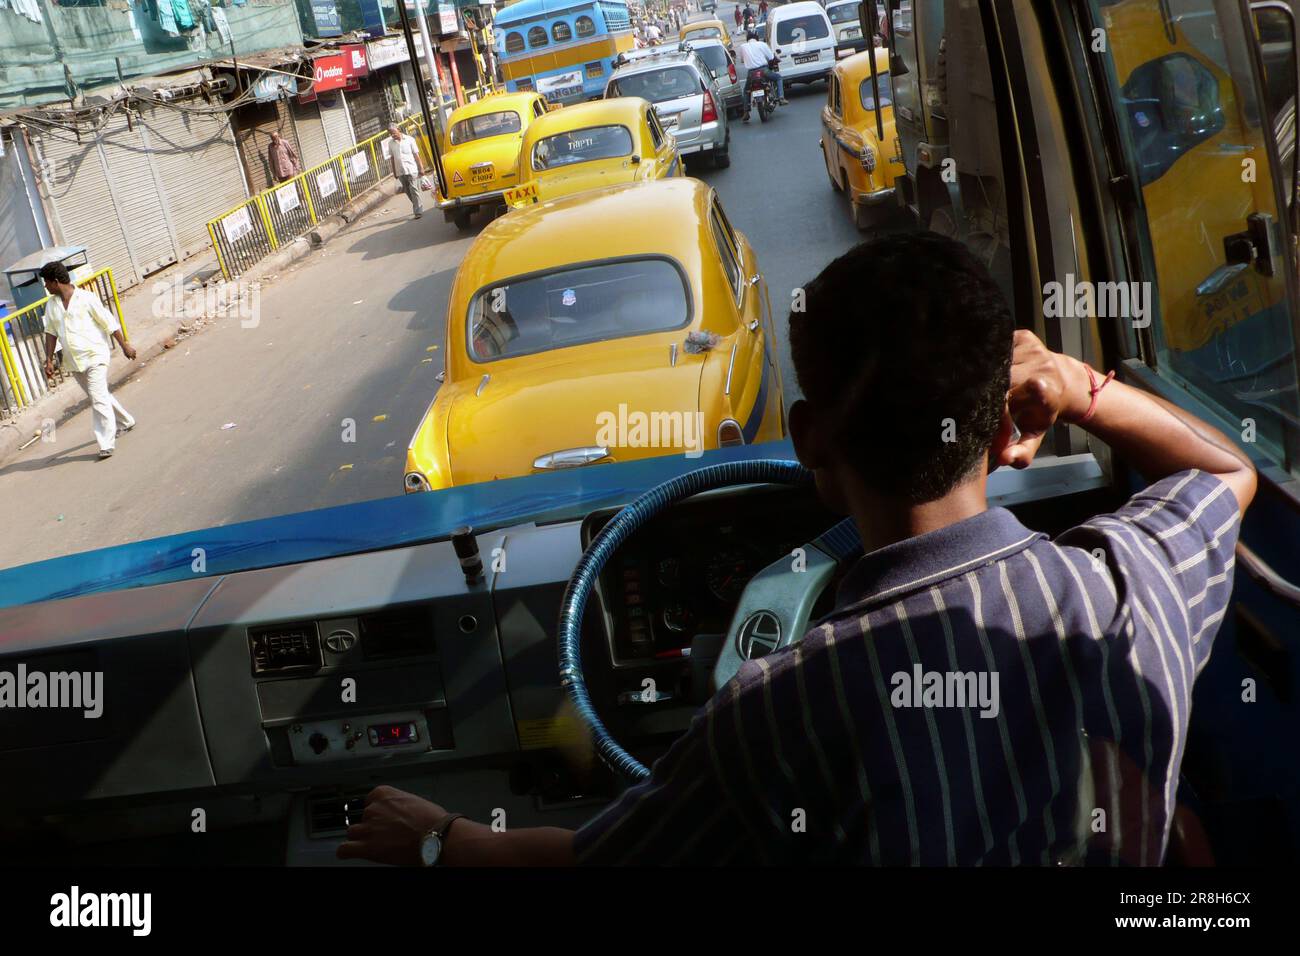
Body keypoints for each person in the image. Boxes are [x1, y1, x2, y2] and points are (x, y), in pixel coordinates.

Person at [336, 233, 1255, 866]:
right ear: (1008, 428)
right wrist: (1085, 390)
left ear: (809, 439)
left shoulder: (781, 707)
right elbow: (1229, 473)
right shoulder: (1131, 585)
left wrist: (444, 841)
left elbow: (599, 859)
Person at [39, 261, 137, 460]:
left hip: (95, 356)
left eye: (47, 283)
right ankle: (126, 421)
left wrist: (124, 344)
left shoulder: (86, 298)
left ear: (56, 282)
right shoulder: (52, 305)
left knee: (98, 398)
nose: (46, 287)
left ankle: (106, 443)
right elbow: (50, 332)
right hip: (74, 361)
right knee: (98, 395)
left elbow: (108, 322)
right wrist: (49, 360)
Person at [737, 28, 786, 119]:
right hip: (763, 71)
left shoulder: (743, 47)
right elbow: (771, 57)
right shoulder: (762, 44)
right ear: (757, 38)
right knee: (778, 78)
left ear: (747, 39)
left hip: (751, 74)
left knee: (746, 90)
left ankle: (746, 112)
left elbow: (742, 60)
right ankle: (781, 97)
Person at [387, 124, 423, 220]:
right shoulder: (390, 143)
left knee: (413, 189)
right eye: (391, 134)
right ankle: (418, 204)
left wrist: (421, 168)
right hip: (400, 171)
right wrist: (394, 172)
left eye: (393, 132)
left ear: (398, 129)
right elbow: (392, 158)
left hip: (411, 169)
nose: (392, 135)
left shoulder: (410, 140)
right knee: (407, 191)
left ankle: (418, 211)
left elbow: (416, 155)